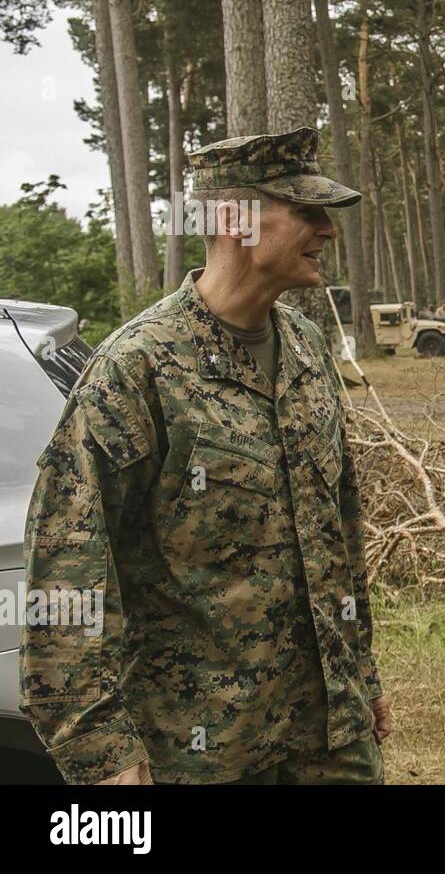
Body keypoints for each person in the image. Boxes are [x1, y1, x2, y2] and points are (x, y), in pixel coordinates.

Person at [21, 126, 388, 784]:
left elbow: (340, 529)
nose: (327, 231)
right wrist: (100, 751)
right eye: (304, 211)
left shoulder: (305, 348)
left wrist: (360, 671)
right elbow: (66, 571)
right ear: (231, 217)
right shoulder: (137, 370)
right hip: (201, 753)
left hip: (332, 739)